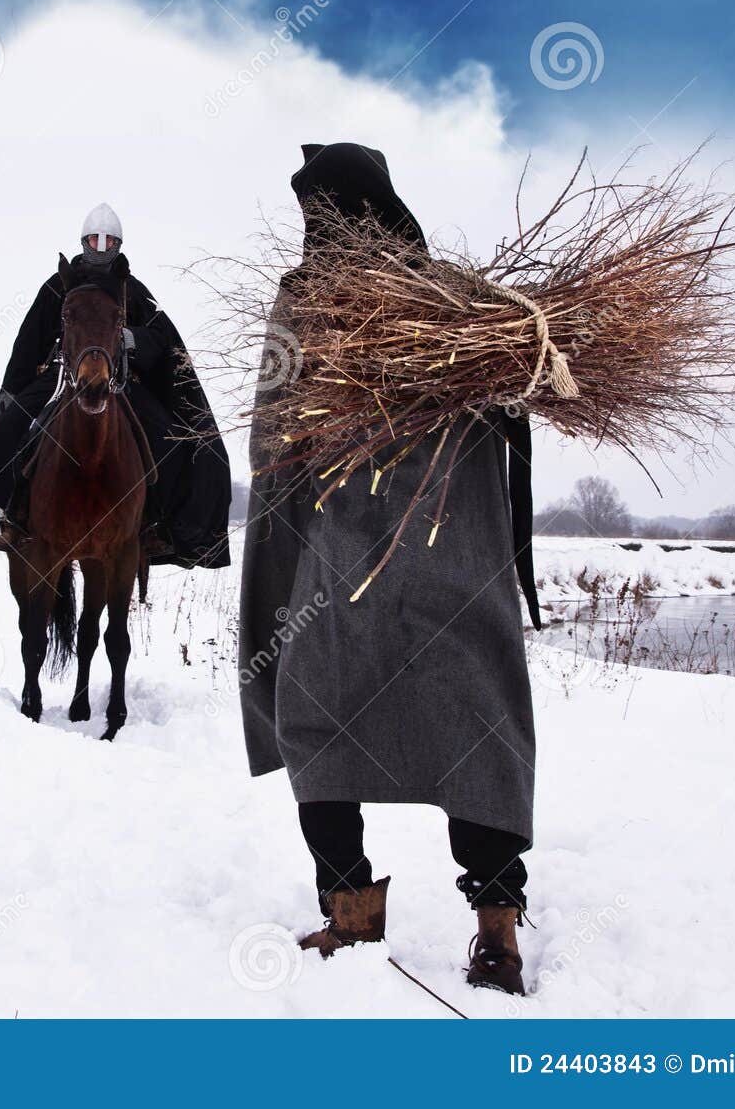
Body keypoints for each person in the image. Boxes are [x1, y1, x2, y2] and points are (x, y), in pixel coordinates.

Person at [238, 144, 543, 996]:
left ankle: (369, 918)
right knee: (473, 725)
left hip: (363, 561)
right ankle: (485, 933)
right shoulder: (456, 293)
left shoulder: (323, 300)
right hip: (436, 557)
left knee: (320, 715)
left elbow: (273, 430)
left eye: (321, 215)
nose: (315, 235)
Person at [0, 204, 230, 569]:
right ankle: (10, 513)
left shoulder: (131, 289)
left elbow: (162, 339)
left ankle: (157, 523)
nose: (100, 246)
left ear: (119, 244)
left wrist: (131, 340)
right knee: (16, 423)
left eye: (109, 240)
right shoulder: (57, 286)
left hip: (119, 381)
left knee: (168, 438)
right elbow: (29, 339)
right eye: (94, 239)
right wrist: (14, 388)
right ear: (83, 241)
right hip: (60, 374)